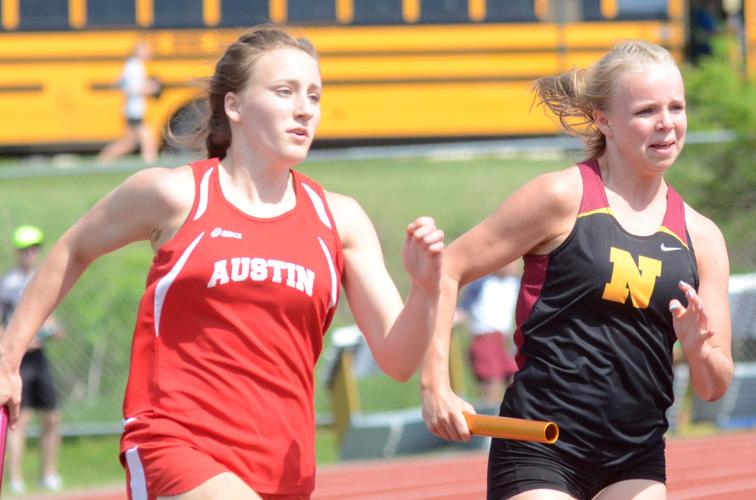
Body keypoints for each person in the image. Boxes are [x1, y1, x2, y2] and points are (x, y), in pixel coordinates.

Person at [0, 26, 444, 499]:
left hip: (283, 467)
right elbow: (73, 248)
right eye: (284, 91)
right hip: (174, 445)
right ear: (234, 106)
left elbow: (398, 359)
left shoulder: (339, 219)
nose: (304, 109)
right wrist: (9, 356)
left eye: (314, 95)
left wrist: (424, 290)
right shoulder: (175, 195)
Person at [419, 40, 733, 500]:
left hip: (635, 454)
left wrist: (699, 349)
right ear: (602, 119)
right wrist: (435, 387)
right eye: (647, 110)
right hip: (539, 443)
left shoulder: (702, 238)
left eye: (676, 107)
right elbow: (444, 271)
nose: (667, 123)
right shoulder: (562, 198)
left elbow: (713, 386)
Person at [0, 225, 65, 494]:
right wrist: (12, 345)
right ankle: (15, 477)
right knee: (20, 419)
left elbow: (47, 313)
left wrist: (54, 327)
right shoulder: (9, 284)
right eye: (26, 249)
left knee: (51, 417)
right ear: (18, 252)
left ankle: (48, 474)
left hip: (40, 358)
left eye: (35, 248)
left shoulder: (40, 278)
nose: (31, 254)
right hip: (19, 360)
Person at [455, 261, 520, 406]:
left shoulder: (515, 283)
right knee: (492, 385)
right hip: (485, 340)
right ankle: (490, 421)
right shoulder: (482, 284)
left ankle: (512, 420)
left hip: (505, 341)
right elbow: (463, 311)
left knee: (516, 380)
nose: (513, 267)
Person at [96, 41, 161, 166]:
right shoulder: (135, 67)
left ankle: (103, 160)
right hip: (134, 110)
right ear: (139, 51)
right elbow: (133, 89)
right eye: (146, 50)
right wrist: (151, 88)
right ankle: (150, 166)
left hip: (133, 109)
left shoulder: (131, 65)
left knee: (128, 144)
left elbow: (117, 83)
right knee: (148, 139)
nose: (149, 53)